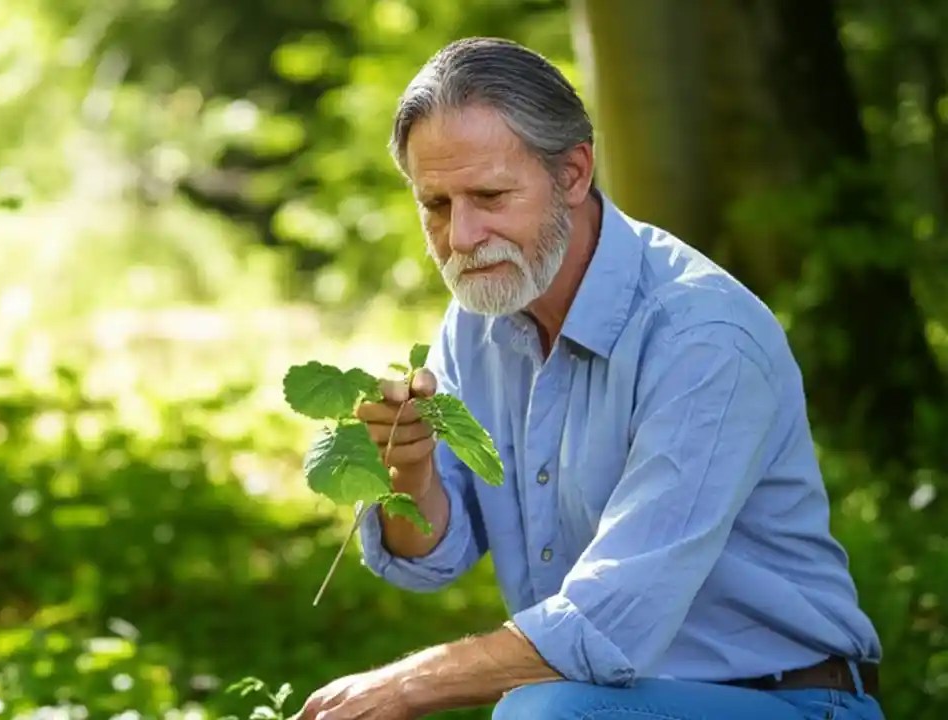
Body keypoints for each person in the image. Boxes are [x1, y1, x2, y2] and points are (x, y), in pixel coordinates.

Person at [290, 37, 886, 720]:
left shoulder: (704, 338)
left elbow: (610, 621)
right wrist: (410, 469)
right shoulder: (480, 317)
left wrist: (400, 686)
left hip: (788, 700)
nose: (461, 237)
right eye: (436, 205)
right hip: (599, 698)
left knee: (541, 715)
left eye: (489, 195)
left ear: (574, 173)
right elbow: (432, 558)